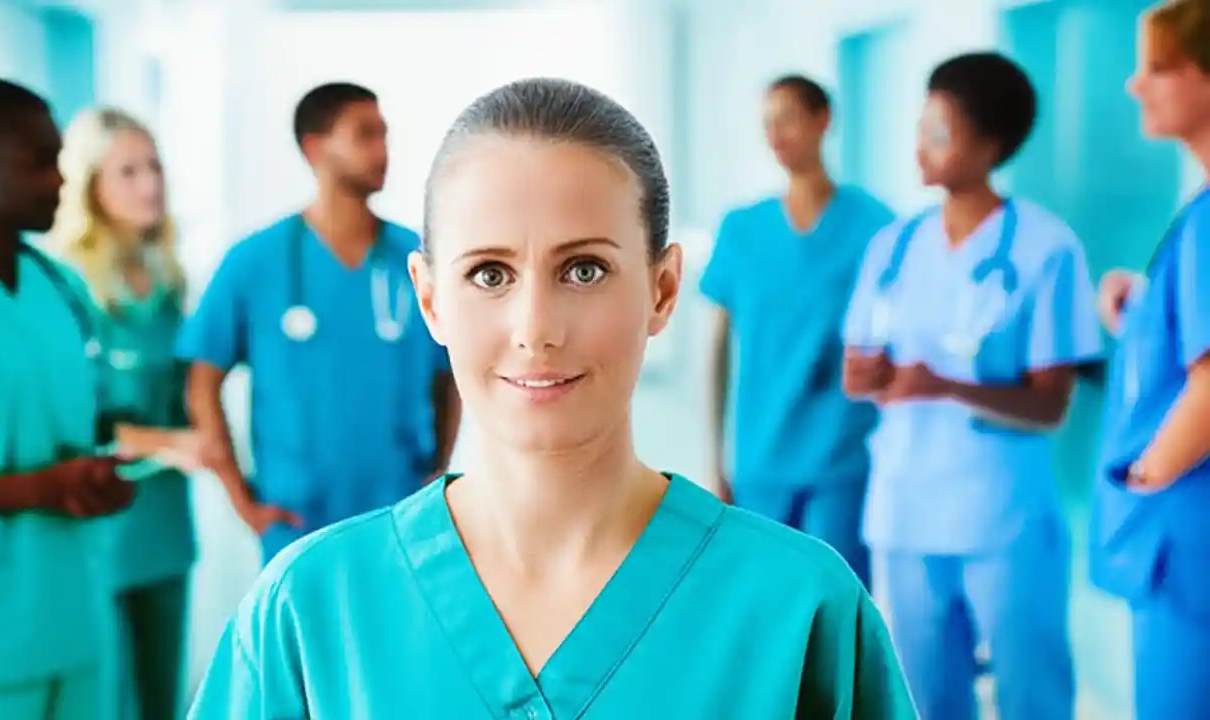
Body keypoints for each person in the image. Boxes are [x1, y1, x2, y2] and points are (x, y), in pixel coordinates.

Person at [186, 77, 916, 720]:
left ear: (662, 290)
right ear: (430, 299)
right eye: (489, 275)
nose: (535, 329)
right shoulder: (308, 613)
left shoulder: (802, 610)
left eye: (586, 270)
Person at [842, 52, 1102, 720]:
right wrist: (867, 377)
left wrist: (948, 386)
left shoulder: (1047, 248)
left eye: (940, 133)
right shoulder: (893, 247)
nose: (921, 149)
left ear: (990, 145)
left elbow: (1050, 404)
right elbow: (857, 369)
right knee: (927, 696)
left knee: (1030, 693)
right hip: (904, 511)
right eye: (920, 129)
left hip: (1001, 513)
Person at [176, 82, 461, 562]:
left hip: (401, 514)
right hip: (295, 523)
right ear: (315, 148)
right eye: (364, 135)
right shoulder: (255, 261)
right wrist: (240, 497)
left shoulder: (414, 258)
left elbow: (447, 370)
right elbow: (202, 379)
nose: (382, 151)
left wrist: (439, 468)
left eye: (384, 135)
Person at [0, 77, 139, 718]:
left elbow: (94, 428)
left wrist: (99, 479)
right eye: (37, 163)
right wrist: (45, 487)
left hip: (76, 625)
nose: (59, 183)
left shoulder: (65, 293)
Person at [702, 75, 893, 584]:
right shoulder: (742, 230)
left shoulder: (874, 225)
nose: (775, 133)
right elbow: (718, 350)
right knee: (766, 610)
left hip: (843, 457)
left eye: (787, 117)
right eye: (767, 123)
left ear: (822, 119)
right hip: (760, 457)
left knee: (838, 609)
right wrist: (714, 457)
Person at [49, 106, 204, 720]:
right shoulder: (64, 282)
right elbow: (67, 414)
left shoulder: (169, 278)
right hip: (100, 525)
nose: (150, 184)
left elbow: (187, 387)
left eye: (155, 166)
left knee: (165, 697)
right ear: (90, 186)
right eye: (128, 171)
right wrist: (168, 444)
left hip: (165, 523)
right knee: (108, 701)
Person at [1090, 2, 1210, 717]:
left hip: (1187, 543)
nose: (1136, 85)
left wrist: (1147, 474)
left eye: (1159, 67)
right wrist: (1148, 306)